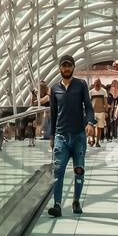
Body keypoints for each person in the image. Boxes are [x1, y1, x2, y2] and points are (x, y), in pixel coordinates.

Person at [48, 54, 94, 217]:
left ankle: (76, 201)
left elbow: (88, 107)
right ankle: (57, 204)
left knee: (79, 170)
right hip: (61, 135)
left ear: (73, 67)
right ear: (60, 68)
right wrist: (52, 136)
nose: (66, 68)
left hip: (79, 136)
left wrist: (90, 122)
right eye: (64, 66)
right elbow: (53, 114)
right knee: (58, 171)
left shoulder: (81, 85)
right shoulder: (54, 89)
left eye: (69, 65)